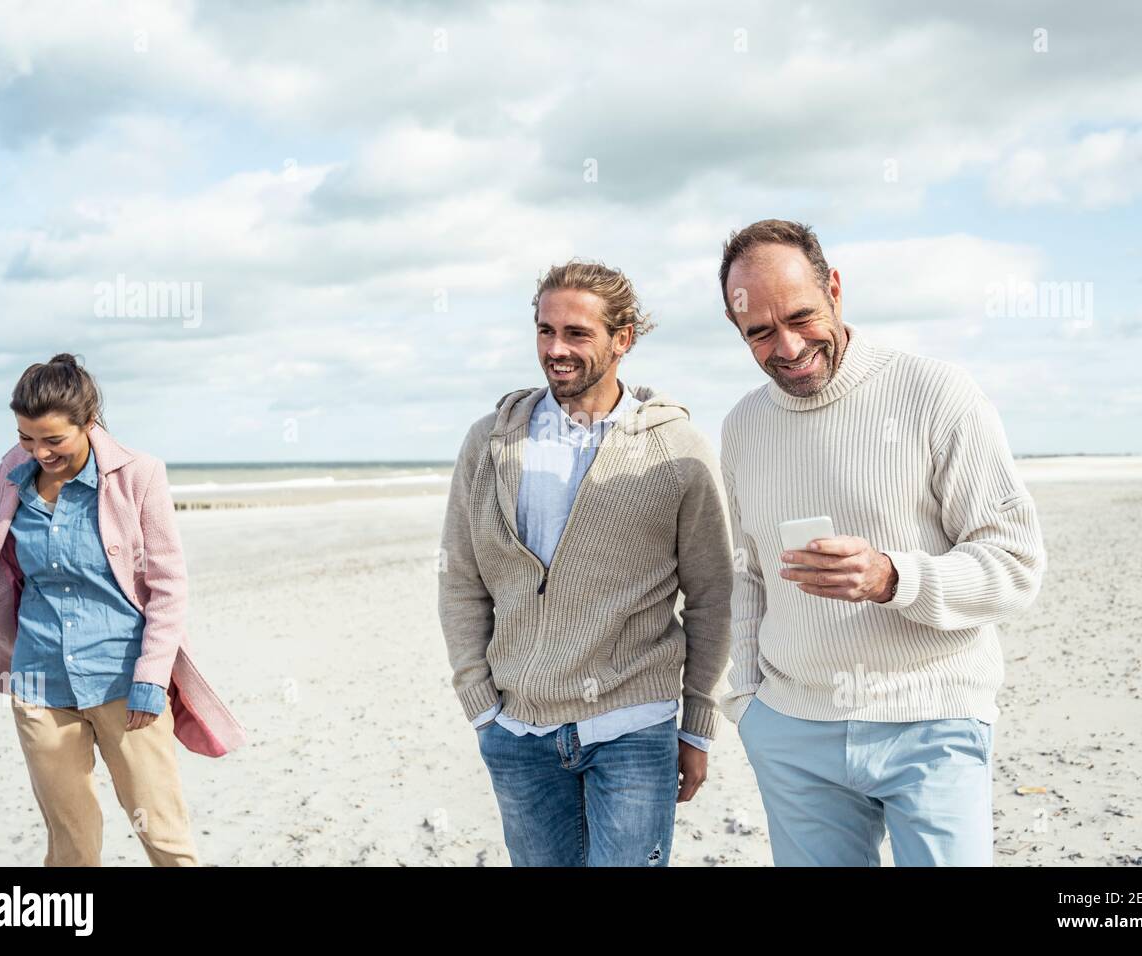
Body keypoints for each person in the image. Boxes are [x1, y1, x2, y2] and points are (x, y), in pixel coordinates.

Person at [716, 219, 1047, 866]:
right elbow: (745, 573)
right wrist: (748, 704)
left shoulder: (937, 394)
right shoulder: (743, 426)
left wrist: (894, 578)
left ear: (834, 288)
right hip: (791, 731)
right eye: (759, 332)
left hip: (933, 721)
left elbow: (1016, 564)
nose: (786, 347)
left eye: (801, 316)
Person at [437, 259, 732, 866]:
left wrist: (697, 722)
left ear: (623, 339)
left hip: (633, 725)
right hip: (517, 732)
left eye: (577, 333)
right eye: (545, 331)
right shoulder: (491, 442)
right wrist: (480, 704)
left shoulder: (676, 448)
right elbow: (461, 580)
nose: (556, 349)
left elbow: (711, 594)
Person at [0, 353, 246, 866]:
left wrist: (152, 677)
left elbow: (168, 585)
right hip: (38, 685)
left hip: (124, 684)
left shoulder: (138, 475)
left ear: (89, 422)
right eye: (25, 437)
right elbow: (2, 576)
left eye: (53, 439)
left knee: (163, 832)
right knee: (70, 842)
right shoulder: (13, 473)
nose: (39, 452)